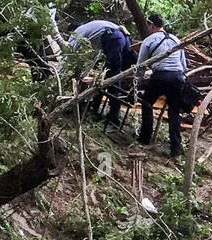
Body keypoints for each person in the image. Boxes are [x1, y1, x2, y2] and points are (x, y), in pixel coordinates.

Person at [136, 13, 190, 157]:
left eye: (148, 25)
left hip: (160, 77)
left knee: (147, 103)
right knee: (174, 112)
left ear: (151, 25)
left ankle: (145, 138)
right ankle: (176, 149)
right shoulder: (175, 39)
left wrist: (137, 82)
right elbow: (183, 66)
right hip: (178, 77)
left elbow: (140, 65)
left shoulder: (148, 41)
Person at [67, 19, 134, 127]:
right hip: (124, 37)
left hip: (113, 38)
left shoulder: (77, 33)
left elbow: (68, 56)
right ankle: (97, 107)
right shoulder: (91, 29)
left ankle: (114, 116)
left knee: (112, 76)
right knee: (123, 70)